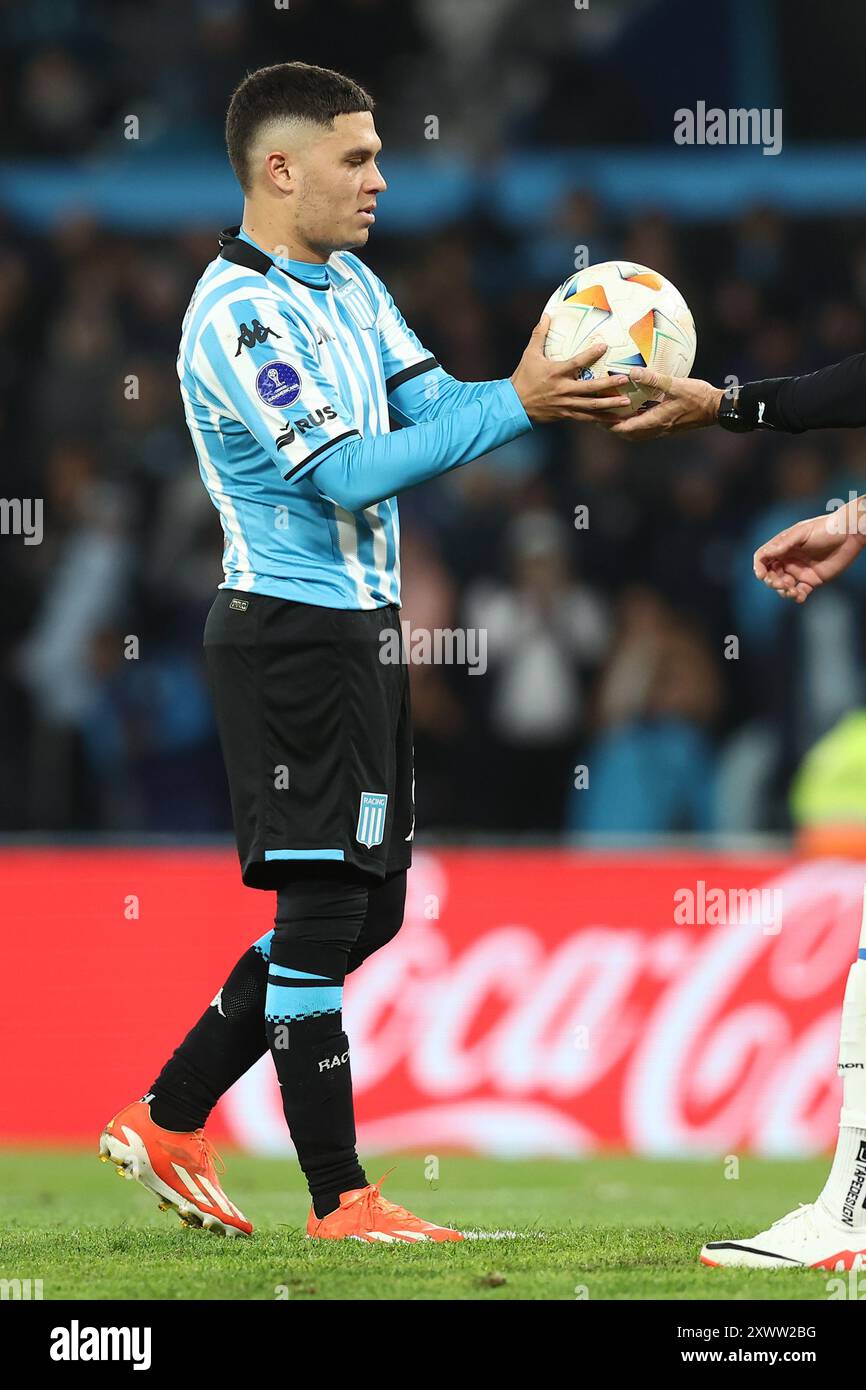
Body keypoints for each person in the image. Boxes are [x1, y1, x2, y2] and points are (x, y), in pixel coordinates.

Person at [97, 61, 629, 1244]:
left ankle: (170, 1114)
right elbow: (341, 468)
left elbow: (434, 403)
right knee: (326, 904)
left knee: (368, 906)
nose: (381, 178)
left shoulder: (347, 281)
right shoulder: (240, 315)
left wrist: (547, 393)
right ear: (278, 170)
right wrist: (515, 409)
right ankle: (341, 1199)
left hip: (360, 633)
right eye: (357, 157)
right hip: (287, 635)